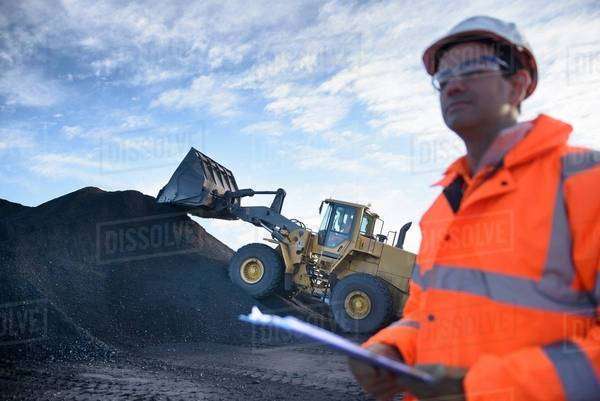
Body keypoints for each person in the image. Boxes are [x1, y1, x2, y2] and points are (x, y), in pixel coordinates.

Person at [349, 15, 600, 401]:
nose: (452, 84)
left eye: (472, 67)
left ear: (519, 84)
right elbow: (425, 314)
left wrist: (483, 390)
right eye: (443, 76)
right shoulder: (443, 210)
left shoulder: (586, 182)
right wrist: (394, 348)